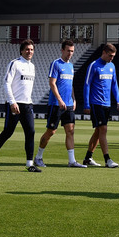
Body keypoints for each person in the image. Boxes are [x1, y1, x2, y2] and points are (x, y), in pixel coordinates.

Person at [0, 39, 40, 172]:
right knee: (7, 132)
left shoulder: (32, 66)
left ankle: (29, 164)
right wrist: (12, 102)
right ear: (22, 50)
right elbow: (6, 83)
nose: (30, 52)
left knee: (31, 132)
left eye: (32, 49)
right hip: (14, 105)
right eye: (27, 49)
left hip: (27, 104)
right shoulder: (15, 63)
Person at [34, 40, 86, 168]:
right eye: (68, 50)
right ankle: (38, 157)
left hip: (68, 105)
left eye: (72, 51)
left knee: (70, 131)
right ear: (62, 50)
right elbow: (52, 83)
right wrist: (59, 100)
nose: (70, 53)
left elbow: (70, 85)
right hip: (56, 104)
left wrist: (74, 99)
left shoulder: (71, 66)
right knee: (51, 131)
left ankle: (72, 161)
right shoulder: (56, 64)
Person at [82, 43, 119, 168]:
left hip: (107, 104)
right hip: (96, 103)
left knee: (98, 131)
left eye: (113, 56)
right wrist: (87, 104)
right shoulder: (94, 65)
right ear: (104, 52)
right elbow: (87, 85)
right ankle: (107, 159)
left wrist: (118, 100)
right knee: (103, 129)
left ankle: (88, 158)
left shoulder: (112, 66)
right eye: (110, 55)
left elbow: (114, 84)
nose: (111, 58)